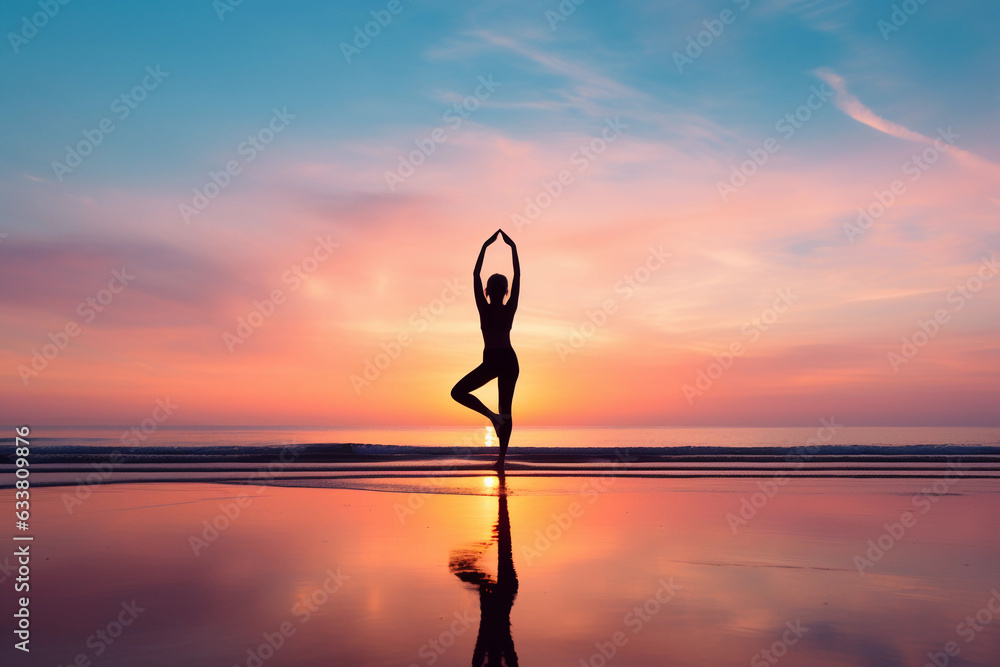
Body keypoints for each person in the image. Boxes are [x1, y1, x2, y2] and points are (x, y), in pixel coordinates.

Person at [451, 229, 520, 470]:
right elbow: (518, 275)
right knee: (505, 412)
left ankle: (495, 429)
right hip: (507, 360)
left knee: (458, 393)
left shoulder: (484, 307)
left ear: (488, 291)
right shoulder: (508, 307)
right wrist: (512, 248)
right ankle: (500, 455)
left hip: (495, 361)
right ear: (504, 290)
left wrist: (485, 246)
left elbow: (475, 274)